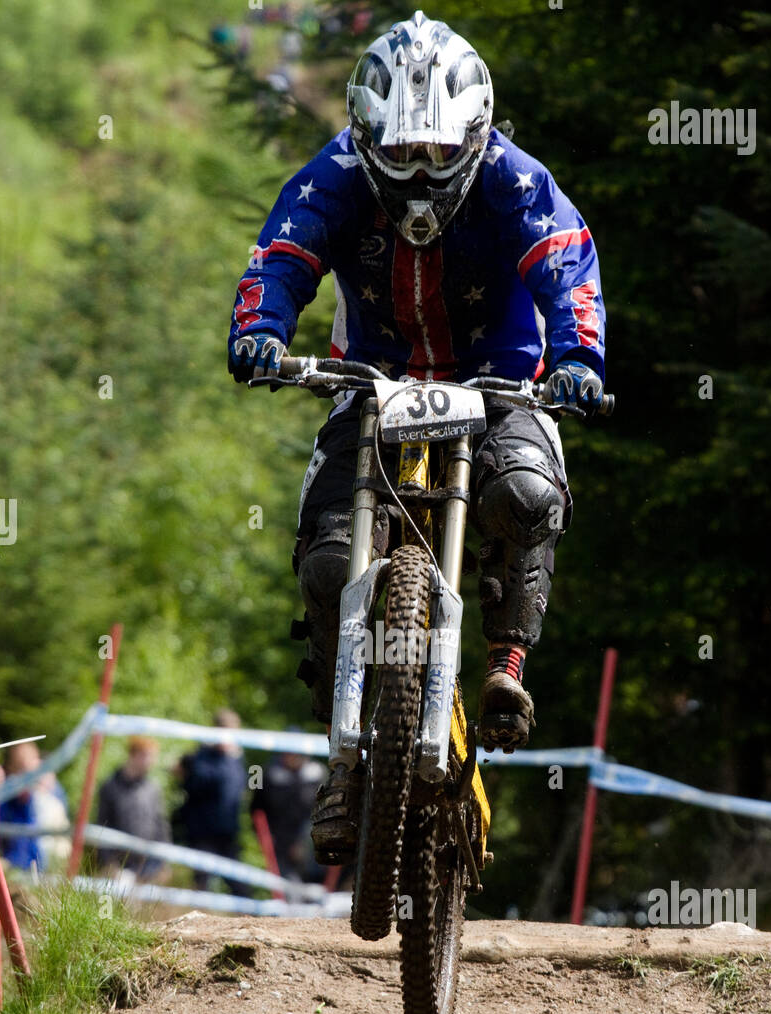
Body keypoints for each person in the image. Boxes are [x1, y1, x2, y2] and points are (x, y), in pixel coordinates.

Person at [227, 11, 607, 863]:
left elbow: (566, 262)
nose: (421, 173)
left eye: (438, 151)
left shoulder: (514, 180)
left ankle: (507, 662)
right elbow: (281, 256)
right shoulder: (333, 177)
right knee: (329, 561)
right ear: (366, 137)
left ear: (475, 133)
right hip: (372, 381)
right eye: (402, 153)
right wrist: (259, 331)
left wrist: (579, 359)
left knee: (527, 492)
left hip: (499, 380)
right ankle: (342, 759)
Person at [174, 711, 248, 897]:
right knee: (201, 885)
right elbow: (195, 784)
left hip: (228, 834)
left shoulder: (237, 759)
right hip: (202, 833)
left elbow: (247, 784)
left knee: (240, 886)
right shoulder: (201, 757)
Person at [250, 740, 327, 883]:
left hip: (309, 839)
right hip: (279, 840)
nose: (292, 757)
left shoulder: (317, 774)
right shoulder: (267, 773)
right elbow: (256, 805)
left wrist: (301, 842)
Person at [95, 736, 171, 880]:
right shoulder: (110, 786)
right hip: (118, 867)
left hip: (148, 867)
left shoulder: (152, 789)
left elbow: (161, 826)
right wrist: (108, 863)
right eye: (148, 756)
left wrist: (162, 863)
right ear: (134, 755)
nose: (152, 762)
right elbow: (102, 825)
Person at [0, 740, 70, 873]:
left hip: (44, 869)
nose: (24, 776)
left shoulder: (51, 799)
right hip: (13, 866)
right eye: (19, 769)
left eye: (27, 769)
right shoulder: (5, 800)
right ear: (11, 769)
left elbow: (62, 846)